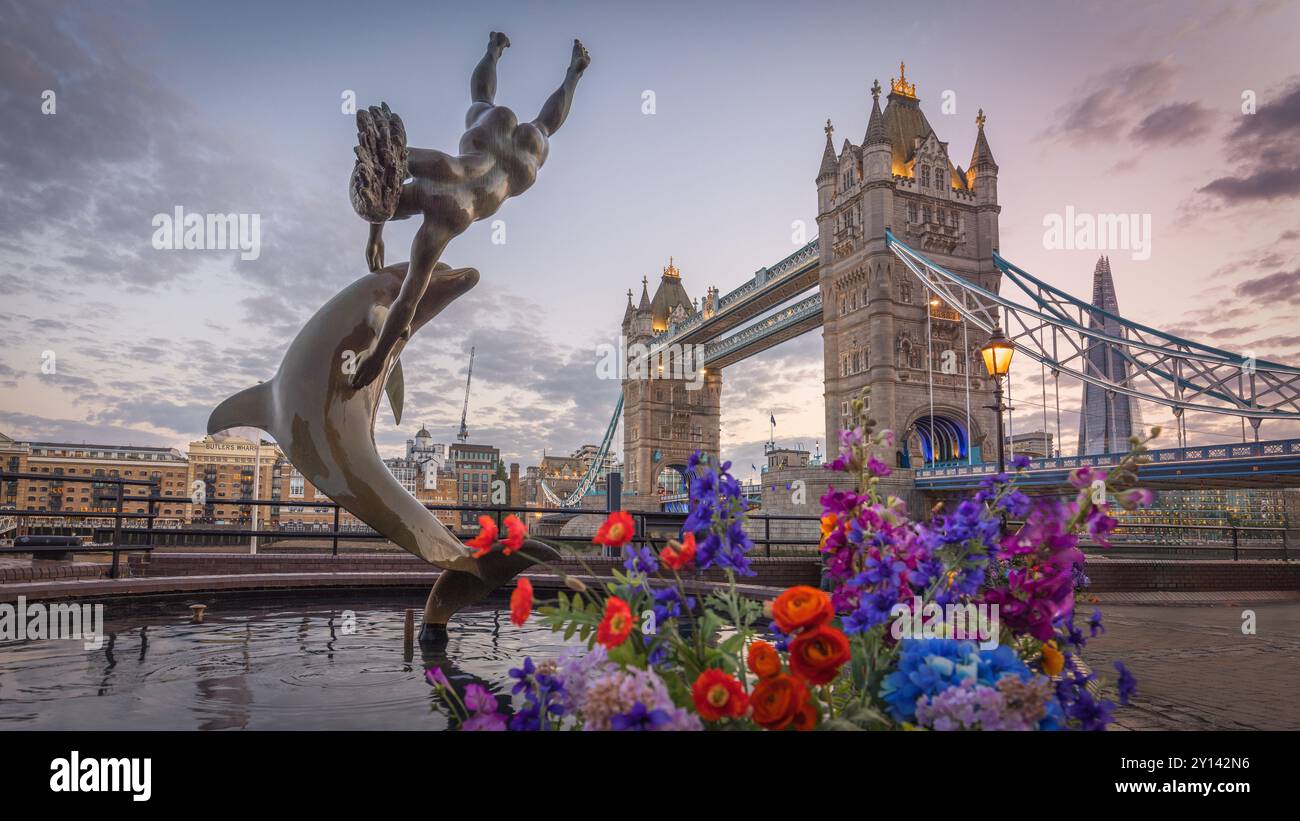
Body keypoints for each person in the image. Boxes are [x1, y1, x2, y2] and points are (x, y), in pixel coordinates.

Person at [347, 32, 591, 390]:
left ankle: (573, 73)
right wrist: (374, 230)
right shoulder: (431, 164)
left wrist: (377, 358)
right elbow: (386, 170)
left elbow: (406, 305)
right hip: (491, 136)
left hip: (518, 169)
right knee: (482, 101)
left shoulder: (443, 225)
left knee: (542, 127)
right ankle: (498, 49)